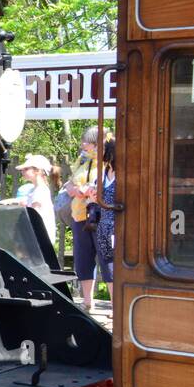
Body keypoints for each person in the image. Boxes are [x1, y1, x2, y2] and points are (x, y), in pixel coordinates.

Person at [64, 126, 107, 312]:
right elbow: (70, 182)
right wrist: (73, 189)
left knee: (106, 258)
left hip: (101, 216)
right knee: (83, 259)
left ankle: (115, 304)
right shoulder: (82, 159)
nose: (83, 144)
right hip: (79, 215)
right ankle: (88, 301)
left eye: (87, 142)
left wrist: (90, 189)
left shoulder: (108, 160)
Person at [0, 153, 55, 237]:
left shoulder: (40, 190)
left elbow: (34, 215)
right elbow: (25, 201)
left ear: (37, 170)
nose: (22, 171)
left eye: (26, 169)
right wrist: (9, 201)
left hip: (40, 238)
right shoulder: (35, 189)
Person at [95, 138, 117, 292]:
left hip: (118, 226)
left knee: (118, 265)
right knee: (107, 266)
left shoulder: (126, 173)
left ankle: (117, 305)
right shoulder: (103, 172)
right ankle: (113, 304)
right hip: (103, 226)